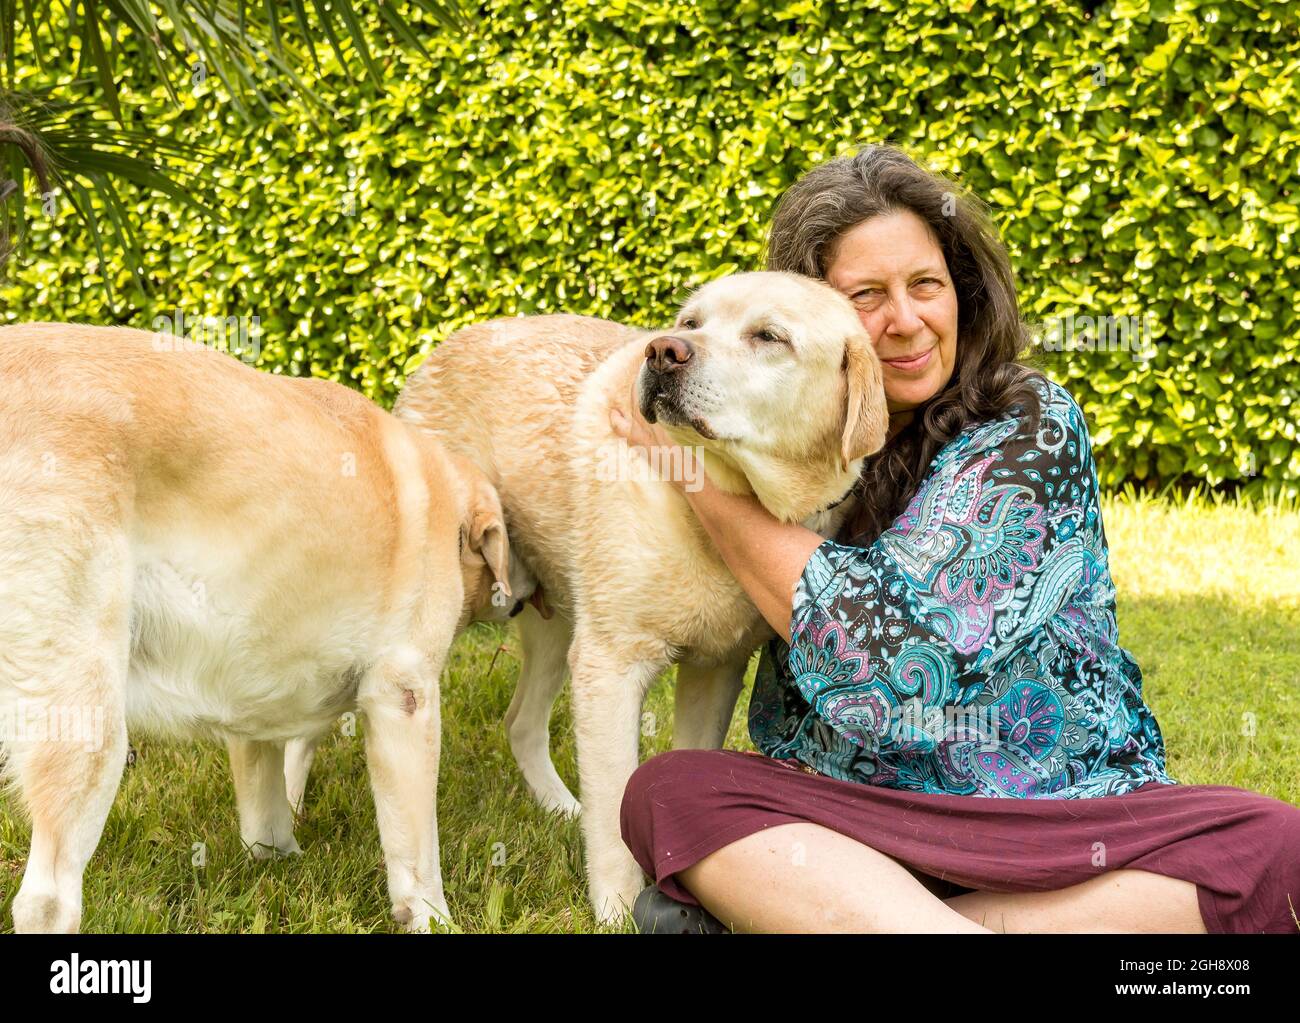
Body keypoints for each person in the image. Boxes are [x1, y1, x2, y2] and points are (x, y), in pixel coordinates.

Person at [609, 143, 1300, 934]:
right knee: (675, 793)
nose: (906, 321)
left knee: (1277, 848)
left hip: (1053, 822)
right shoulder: (784, 453)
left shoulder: (1029, 425)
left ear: (962, 293)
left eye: (926, 286)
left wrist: (690, 472)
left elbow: (894, 671)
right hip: (855, 821)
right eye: (867, 295)